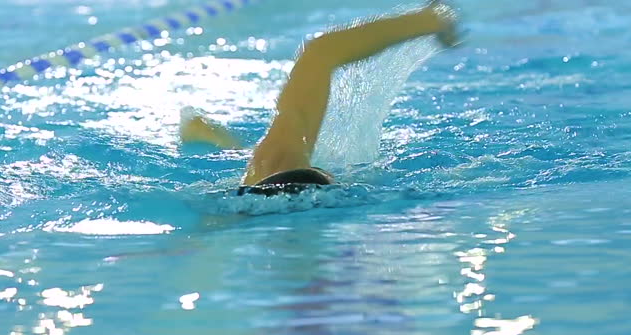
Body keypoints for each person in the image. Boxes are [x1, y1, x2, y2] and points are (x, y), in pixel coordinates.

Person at [180, 1, 461, 196]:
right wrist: (434, 19)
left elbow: (321, 53)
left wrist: (424, 22)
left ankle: (209, 134)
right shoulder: (279, 163)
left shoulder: (276, 163)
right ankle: (211, 135)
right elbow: (322, 53)